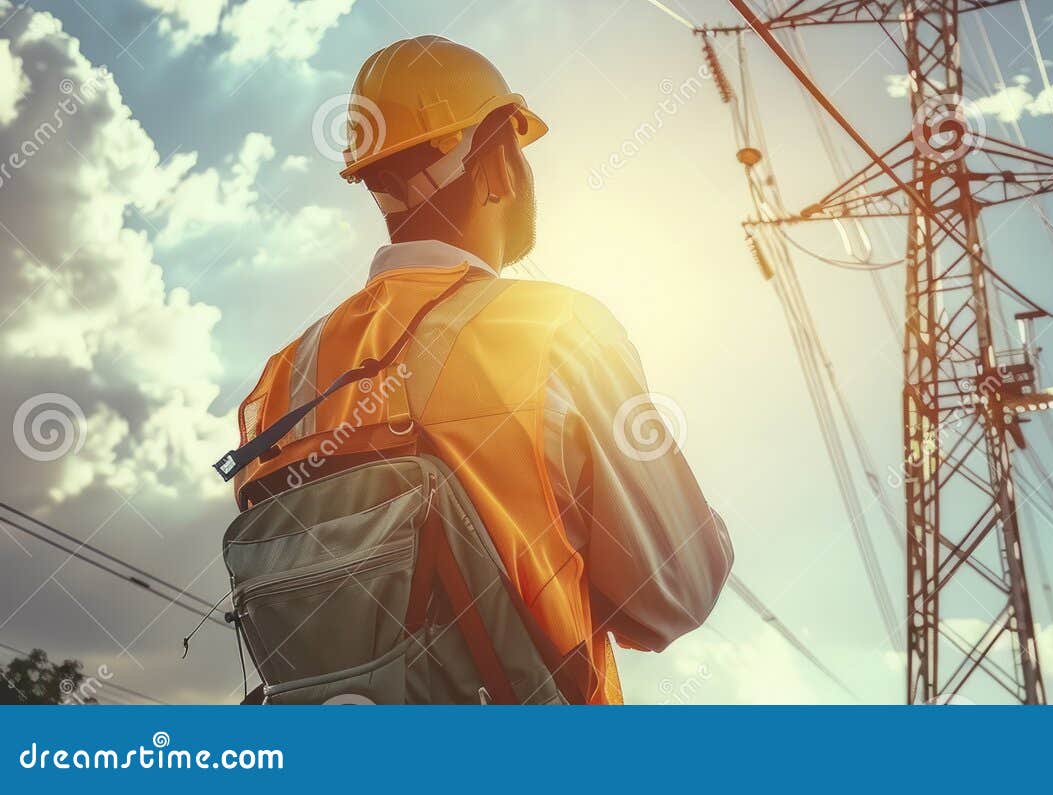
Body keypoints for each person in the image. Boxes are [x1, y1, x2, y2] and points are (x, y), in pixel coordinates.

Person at [228, 35, 732, 703]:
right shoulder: (557, 331)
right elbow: (677, 589)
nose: (526, 172)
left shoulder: (282, 377)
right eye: (517, 149)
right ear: (492, 157)